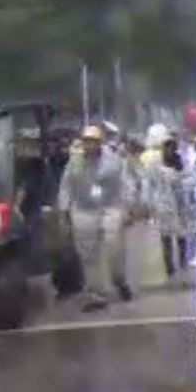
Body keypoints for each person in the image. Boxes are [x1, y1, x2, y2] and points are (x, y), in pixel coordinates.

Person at [57, 123, 134, 311]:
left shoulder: (114, 161)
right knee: (88, 255)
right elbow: (66, 188)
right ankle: (96, 293)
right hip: (83, 210)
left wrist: (127, 208)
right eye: (86, 141)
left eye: (93, 141)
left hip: (110, 207)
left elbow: (127, 184)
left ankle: (120, 280)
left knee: (114, 249)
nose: (89, 145)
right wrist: (63, 212)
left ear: (100, 143)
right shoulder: (74, 163)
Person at [142, 125, 192, 281]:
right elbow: (148, 184)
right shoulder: (155, 164)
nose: (170, 150)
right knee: (166, 238)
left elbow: (189, 179)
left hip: (180, 205)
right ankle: (169, 268)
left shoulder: (181, 161)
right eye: (167, 146)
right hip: (163, 206)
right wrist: (148, 203)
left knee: (182, 236)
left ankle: (184, 263)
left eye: (172, 146)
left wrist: (182, 183)